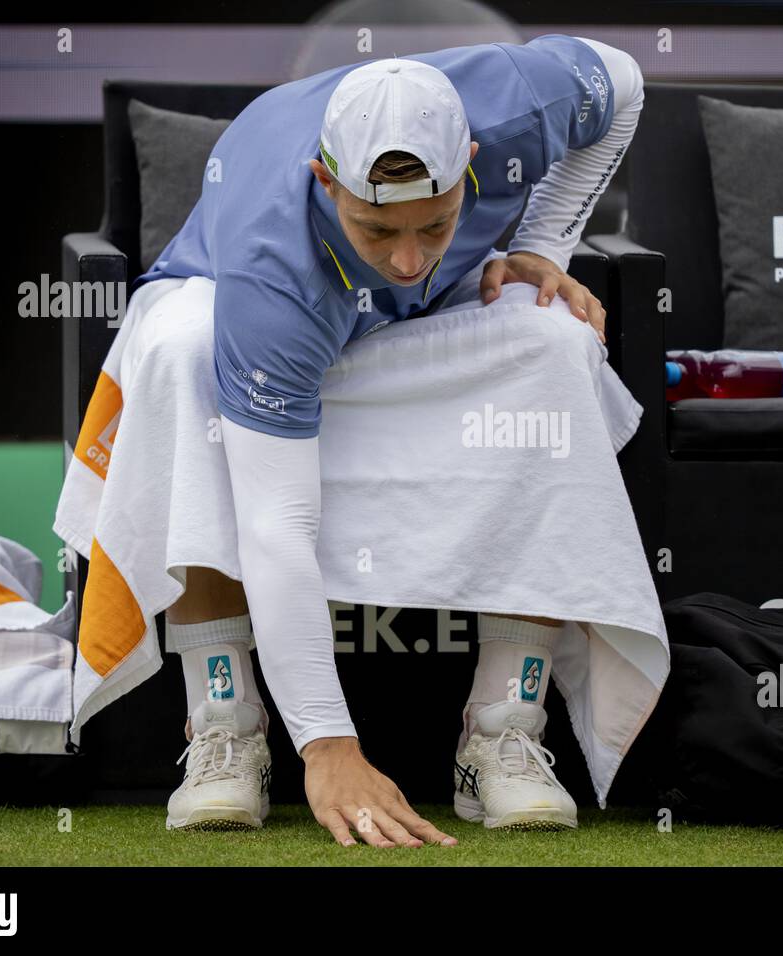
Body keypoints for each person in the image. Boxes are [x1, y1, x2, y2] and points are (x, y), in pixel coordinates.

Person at [128, 35, 646, 847]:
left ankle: (503, 728)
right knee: (182, 350)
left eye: (436, 224)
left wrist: (541, 246)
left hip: (422, 323)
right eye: (377, 232)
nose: (408, 259)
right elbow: (277, 526)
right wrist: (329, 745)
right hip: (267, 315)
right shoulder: (272, 269)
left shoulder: (522, 98)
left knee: (560, 342)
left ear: (471, 159)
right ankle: (225, 720)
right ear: (325, 182)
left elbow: (624, 82)